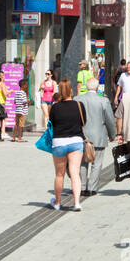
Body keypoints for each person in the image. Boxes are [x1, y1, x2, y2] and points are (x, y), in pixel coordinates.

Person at [47, 79, 87, 211]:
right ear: (71, 90)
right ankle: (76, 203)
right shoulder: (79, 105)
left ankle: (57, 203)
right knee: (75, 173)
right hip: (76, 141)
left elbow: (51, 123)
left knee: (59, 174)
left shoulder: (55, 107)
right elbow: (83, 123)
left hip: (59, 142)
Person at [77, 77, 117, 197]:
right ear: (97, 87)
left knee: (83, 163)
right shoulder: (103, 101)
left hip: (82, 136)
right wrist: (112, 134)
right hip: (99, 136)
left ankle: (82, 187)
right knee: (97, 163)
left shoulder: (77, 99)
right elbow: (110, 119)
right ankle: (92, 188)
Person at [11, 76, 31, 142]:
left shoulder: (17, 92)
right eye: (26, 85)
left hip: (17, 110)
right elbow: (24, 102)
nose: (27, 86)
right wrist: (28, 101)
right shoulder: (23, 93)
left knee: (16, 124)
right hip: (23, 111)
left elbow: (14, 101)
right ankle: (19, 138)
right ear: (24, 86)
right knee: (21, 125)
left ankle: (13, 137)